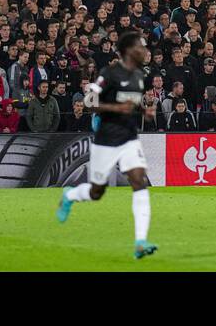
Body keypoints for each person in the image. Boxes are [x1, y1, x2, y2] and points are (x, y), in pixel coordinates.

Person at [56, 30, 158, 260]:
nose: (144, 51)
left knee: (139, 182)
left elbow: (132, 103)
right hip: (106, 140)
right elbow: (89, 101)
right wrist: (114, 109)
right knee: (96, 192)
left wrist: (145, 111)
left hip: (129, 137)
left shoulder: (140, 76)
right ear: (129, 50)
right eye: (140, 47)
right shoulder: (109, 74)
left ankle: (140, 242)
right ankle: (70, 196)